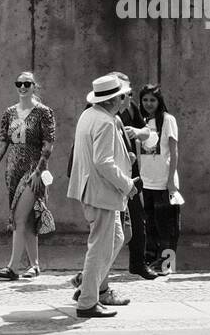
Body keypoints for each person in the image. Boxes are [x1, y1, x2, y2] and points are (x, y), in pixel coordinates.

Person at [67, 73, 139, 318]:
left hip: (94, 191)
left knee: (116, 239)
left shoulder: (89, 115)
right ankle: (87, 301)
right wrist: (127, 184)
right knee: (100, 246)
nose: (124, 100)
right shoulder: (106, 121)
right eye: (122, 96)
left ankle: (89, 287)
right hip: (102, 193)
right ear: (114, 99)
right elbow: (103, 162)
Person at [0, 72, 55, 279]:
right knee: (27, 219)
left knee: (18, 217)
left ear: (34, 86)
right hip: (12, 170)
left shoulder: (44, 112)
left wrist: (38, 171)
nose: (22, 87)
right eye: (19, 83)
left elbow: (48, 144)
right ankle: (34, 265)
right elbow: (3, 141)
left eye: (26, 83)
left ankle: (13, 266)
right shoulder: (9, 113)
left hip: (33, 169)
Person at [114, 71, 158, 280]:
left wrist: (135, 132)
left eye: (130, 93)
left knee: (136, 223)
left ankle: (138, 264)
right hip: (112, 177)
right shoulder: (100, 111)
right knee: (114, 231)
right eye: (126, 92)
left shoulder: (130, 108)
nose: (130, 97)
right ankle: (92, 275)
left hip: (131, 175)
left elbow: (148, 133)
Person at [138, 84, 181, 273]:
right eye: (145, 100)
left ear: (159, 101)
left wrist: (171, 179)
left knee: (168, 226)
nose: (148, 104)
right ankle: (151, 259)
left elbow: (174, 151)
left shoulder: (168, 120)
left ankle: (167, 263)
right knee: (150, 224)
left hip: (164, 181)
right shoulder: (141, 121)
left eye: (152, 100)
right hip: (146, 181)